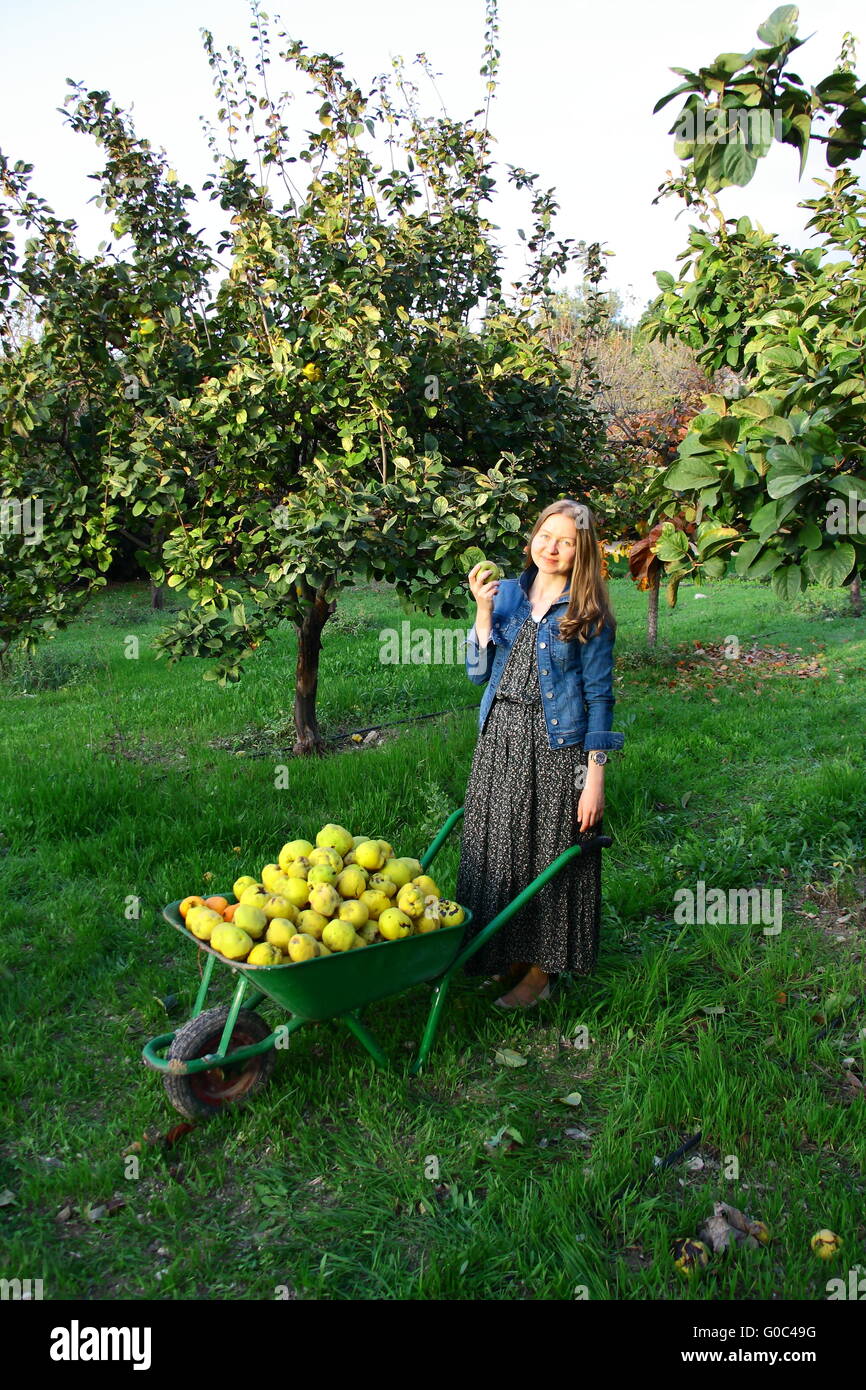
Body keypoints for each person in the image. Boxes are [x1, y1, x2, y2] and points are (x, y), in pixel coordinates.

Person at [456, 498, 624, 1008]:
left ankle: (541, 974)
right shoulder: (505, 594)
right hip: (501, 736)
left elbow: (600, 698)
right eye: (546, 536)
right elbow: (477, 672)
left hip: (557, 748)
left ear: (582, 552)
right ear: (532, 538)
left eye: (567, 541)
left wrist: (594, 779)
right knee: (499, 848)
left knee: (547, 854)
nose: (552, 548)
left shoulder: (588, 612)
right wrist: (482, 612)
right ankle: (503, 955)